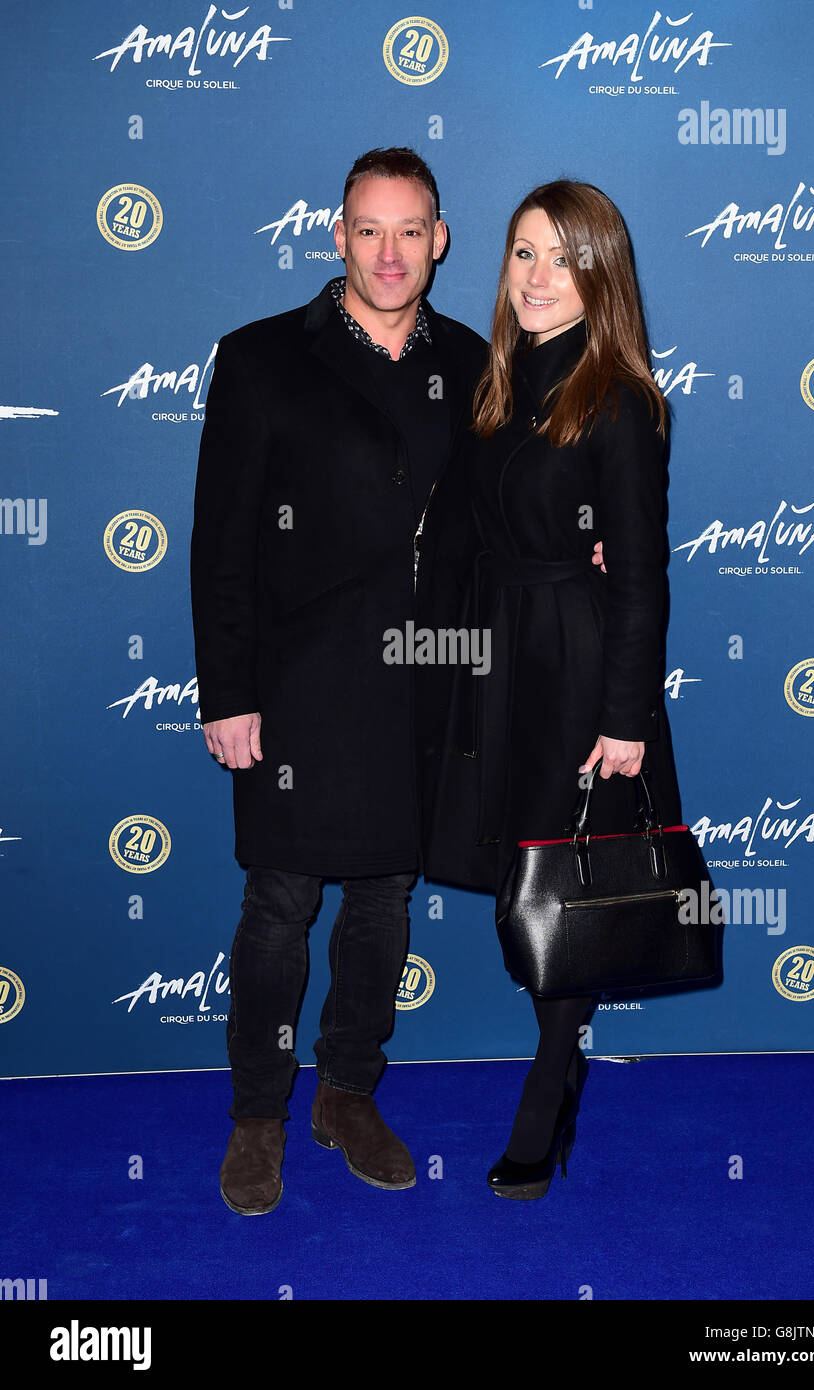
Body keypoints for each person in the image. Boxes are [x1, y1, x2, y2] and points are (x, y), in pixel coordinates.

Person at [190, 148, 486, 1213]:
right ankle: (260, 1112)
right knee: (279, 901)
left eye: (411, 230)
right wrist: (226, 692)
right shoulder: (265, 357)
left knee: (385, 897)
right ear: (336, 236)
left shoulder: (470, 360)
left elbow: (494, 518)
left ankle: (348, 1092)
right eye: (369, 229)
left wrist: (578, 552)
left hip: (419, 681)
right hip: (296, 684)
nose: (390, 251)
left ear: (439, 239)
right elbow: (221, 541)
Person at [419, 180, 683, 1199]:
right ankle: (561, 1043)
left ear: (599, 276)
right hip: (491, 658)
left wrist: (623, 717)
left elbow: (645, 574)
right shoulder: (494, 385)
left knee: (563, 880)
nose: (536, 277)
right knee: (514, 876)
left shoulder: (617, 400)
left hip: (573, 664)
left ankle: (549, 1079)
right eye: (522, 253)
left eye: (561, 259)